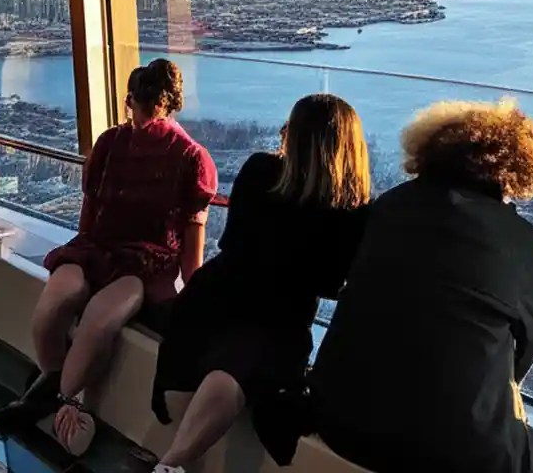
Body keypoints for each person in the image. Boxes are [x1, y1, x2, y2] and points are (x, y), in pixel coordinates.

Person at [309, 99, 533, 473]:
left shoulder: (386, 208)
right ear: (515, 173)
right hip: (452, 446)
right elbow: (527, 346)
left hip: (340, 416)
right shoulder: (521, 243)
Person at [0, 60, 217, 455]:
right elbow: (191, 249)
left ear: (131, 99)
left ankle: (53, 396)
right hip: (116, 255)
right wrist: (191, 298)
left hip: (136, 260)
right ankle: (63, 395)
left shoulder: (132, 147)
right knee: (80, 317)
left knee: (65, 315)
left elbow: (91, 214)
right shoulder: (187, 156)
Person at [149, 93, 370, 472]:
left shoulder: (258, 171)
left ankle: (174, 462)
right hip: (277, 318)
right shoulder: (352, 212)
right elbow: (332, 284)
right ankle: (170, 465)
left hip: (208, 299)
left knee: (203, 368)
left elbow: (231, 241)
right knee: (237, 369)